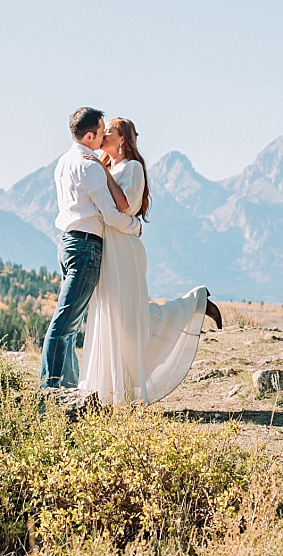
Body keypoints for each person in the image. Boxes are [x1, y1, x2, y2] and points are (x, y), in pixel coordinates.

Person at [78, 116, 223, 405]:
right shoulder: (106, 167)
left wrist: (103, 173)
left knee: (133, 323)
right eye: (103, 131)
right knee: (114, 320)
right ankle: (109, 393)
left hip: (125, 253)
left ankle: (193, 304)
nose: (104, 135)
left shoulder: (132, 168)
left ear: (123, 139)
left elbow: (127, 206)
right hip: (108, 251)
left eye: (110, 132)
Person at [39, 107, 143, 389]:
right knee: (66, 321)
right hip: (85, 246)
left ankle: (69, 386)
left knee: (70, 323)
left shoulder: (64, 162)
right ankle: (50, 387)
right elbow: (110, 215)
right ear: (89, 135)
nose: (103, 137)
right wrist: (134, 227)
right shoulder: (89, 166)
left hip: (67, 243)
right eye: (100, 132)